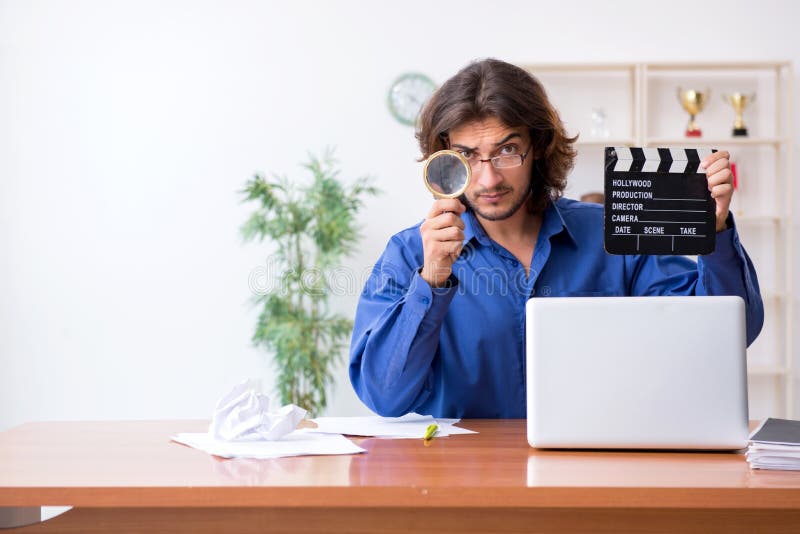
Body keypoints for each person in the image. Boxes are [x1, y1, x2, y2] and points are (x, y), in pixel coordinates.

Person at [349, 58, 764, 418]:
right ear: (444, 159)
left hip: (597, 467)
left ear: (540, 146)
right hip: (466, 475)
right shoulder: (410, 254)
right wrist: (432, 280)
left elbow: (725, 336)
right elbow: (384, 396)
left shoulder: (612, 232)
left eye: (507, 150)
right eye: (467, 156)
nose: (488, 178)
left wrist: (715, 231)